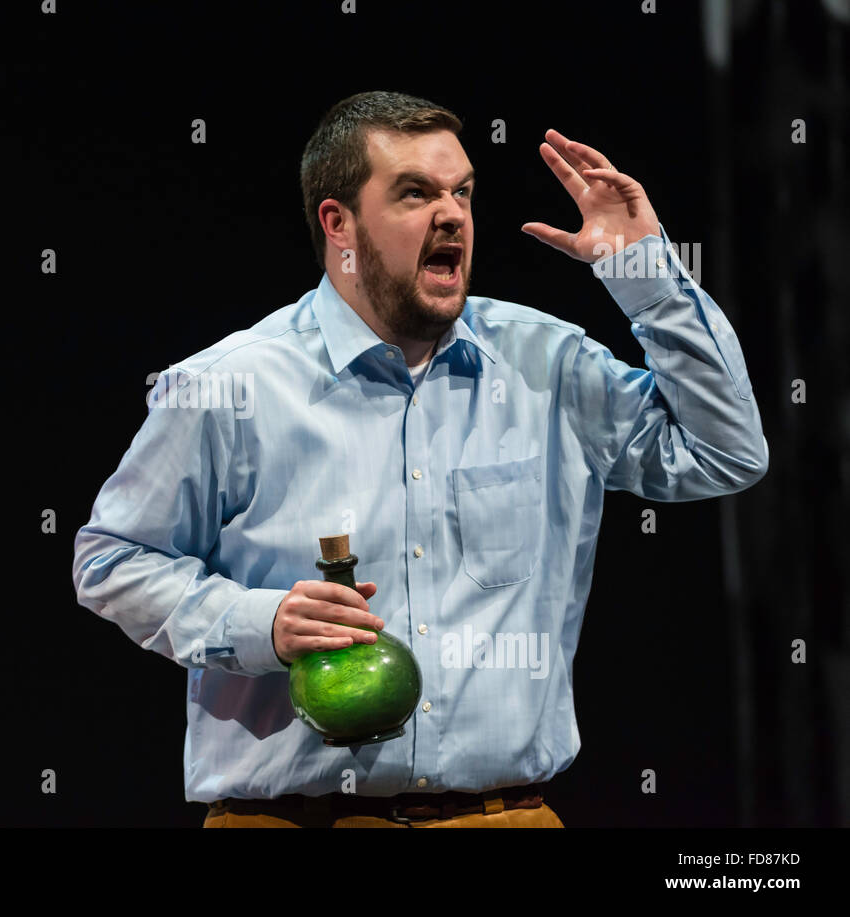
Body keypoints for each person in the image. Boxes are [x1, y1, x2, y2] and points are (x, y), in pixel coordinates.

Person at [71, 91, 768, 828]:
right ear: (338, 224)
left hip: (503, 818)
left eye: (462, 192)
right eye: (415, 193)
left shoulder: (547, 365)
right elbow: (111, 557)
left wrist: (648, 278)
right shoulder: (228, 386)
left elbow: (724, 452)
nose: (452, 215)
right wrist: (259, 622)